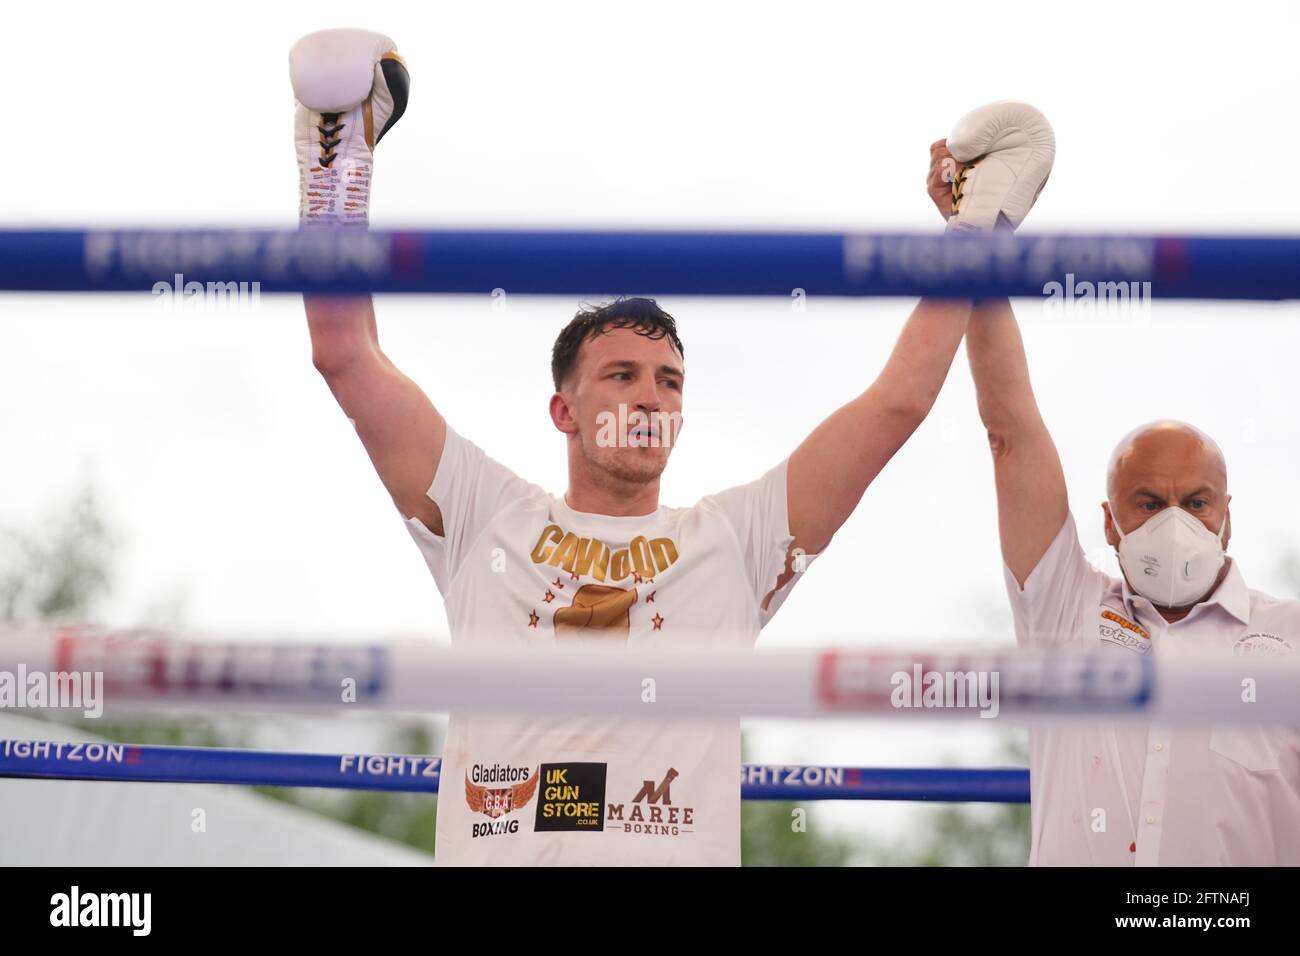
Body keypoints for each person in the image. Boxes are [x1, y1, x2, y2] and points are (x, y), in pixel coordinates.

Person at [289, 29, 1046, 864]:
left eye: (670, 381)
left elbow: (899, 402)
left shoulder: (734, 538)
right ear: (563, 410)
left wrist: (976, 234)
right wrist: (335, 173)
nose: (651, 395)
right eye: (622, 375)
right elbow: (344, 355)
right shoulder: (482, 512)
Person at [942, 126, 1300, 862]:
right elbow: (1009, 425)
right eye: (1148, 502)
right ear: (1109, 521)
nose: (1177, 521)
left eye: (1197, 502)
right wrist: (974, 240)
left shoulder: (1291, 640)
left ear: (1227, 517)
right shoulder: (1064, 606)